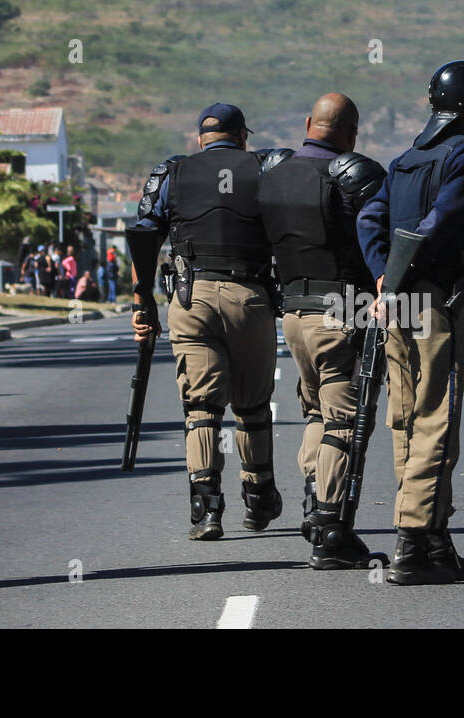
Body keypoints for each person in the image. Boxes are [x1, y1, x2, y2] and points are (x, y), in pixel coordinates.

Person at [356, 59, 464, 584]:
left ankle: (434, 543)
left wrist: (384, 275)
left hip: (400, 303)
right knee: (436, 422)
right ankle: (411, 543)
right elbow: (441, 222)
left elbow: (370, 218)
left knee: (406, 421)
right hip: (435, 305)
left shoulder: (405, 159)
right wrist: (401, 273)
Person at [131, 103, 282, 540]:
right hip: (249, 296)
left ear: (200, 139)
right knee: (251, 406)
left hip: (190, 296)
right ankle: (257, 498)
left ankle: (206, 509)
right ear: (242, 137)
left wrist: (143, 303)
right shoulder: (265, 169)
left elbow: (144, 234)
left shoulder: (172, 174)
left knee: (200, 407)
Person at [258, 92, 387, 569]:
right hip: (340, 310)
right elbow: (379, 238)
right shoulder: (357, 176)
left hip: (293, 312)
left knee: (315, 409)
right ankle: (331, 527)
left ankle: (316, 498)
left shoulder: (273, 174)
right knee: (344, 418)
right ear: (351, 133)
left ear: (309, 123)